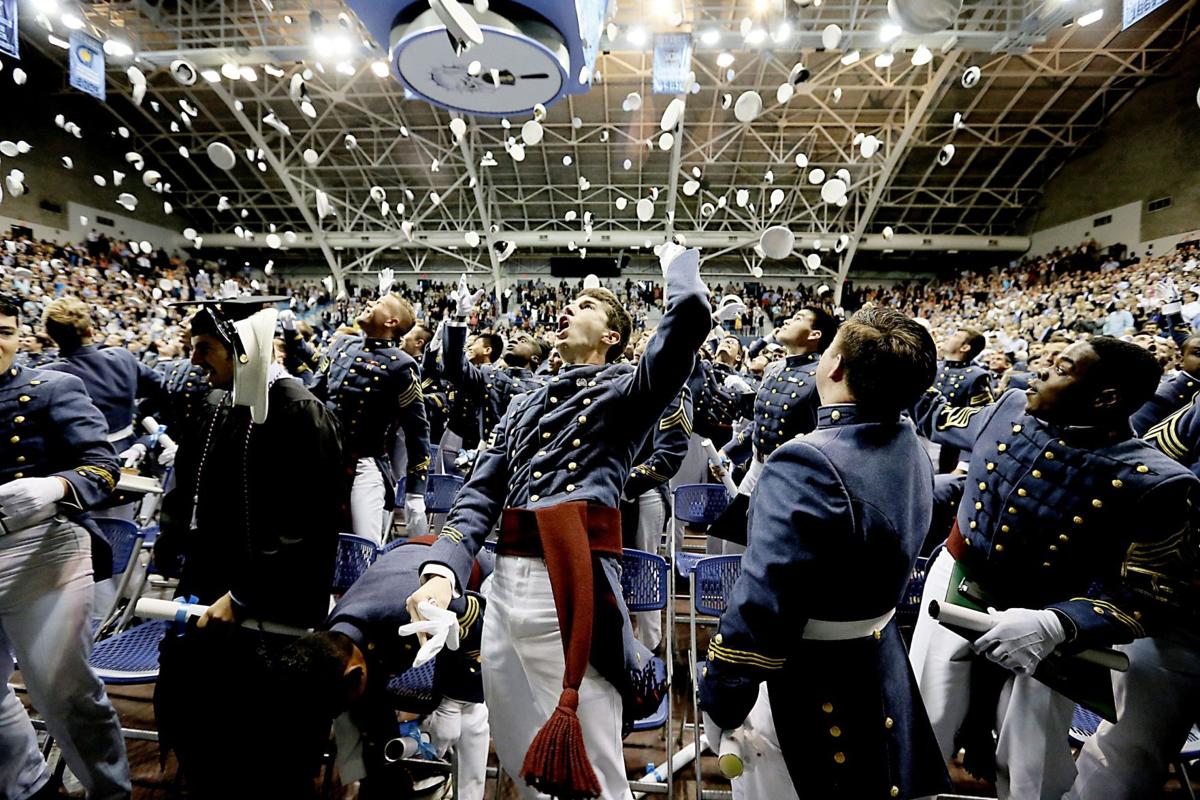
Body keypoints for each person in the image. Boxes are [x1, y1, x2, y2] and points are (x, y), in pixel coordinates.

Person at [407, 245, 711, 799]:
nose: (569, 308)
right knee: (525, 763)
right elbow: (478, 497)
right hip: (503, 591)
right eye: (569, 302)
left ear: (612, 336)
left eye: (588, 304)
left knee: (594, 775)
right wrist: (443, 572)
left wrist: (678, 265)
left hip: (572, 590)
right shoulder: (523, 403)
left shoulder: (627, 391)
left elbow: (688, 320)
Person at [906, 336, 1199, 800]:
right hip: (960, 579)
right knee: (925, 713)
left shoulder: (1155, 482)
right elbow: (942, 419)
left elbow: (1153, 594)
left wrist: (1060, 623)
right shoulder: (1008, 407)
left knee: (1032, 756)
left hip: (1048, 614)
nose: (1039, 370)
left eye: (1061, 367)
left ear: (1106, 398)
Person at [700, 307, 949, 800]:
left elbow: (764, 602)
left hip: (808, 675)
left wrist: (724, 695)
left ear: (833, 366)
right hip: (875, 656)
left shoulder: (808, 459)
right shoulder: (909, 442)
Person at [153, 295, 344, 798]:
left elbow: (305, 527)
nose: (194, 361)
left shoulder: (300, 411)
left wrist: (242, 597)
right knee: (203, 729)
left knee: (264, 747)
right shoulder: (218, 403)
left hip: (270, 607)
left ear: (243, 350)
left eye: (206, 349)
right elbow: (187, 487)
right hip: (211, 593)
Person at [0, 292, 131, 800]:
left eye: (6, 332)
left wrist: (54, 487)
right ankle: (28, 785)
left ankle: (110, 791)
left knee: (64, 693)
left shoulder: (51, 388)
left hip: (41, 548)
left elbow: (103, 465)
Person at [280, 538, 489, 799]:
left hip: (466, 566)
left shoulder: (414, 611)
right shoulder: (335, 640)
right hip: (399, 563)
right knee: (372, 731)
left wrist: (454, 699)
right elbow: (369, 706)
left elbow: (482, 626)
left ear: (354, 674)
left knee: (469, 723)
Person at [282, 293, 431, 544]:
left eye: (378, 303)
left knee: (363, 544)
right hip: (323, 461)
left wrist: (416, 491)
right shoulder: (343, 345)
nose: (369, 303)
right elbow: (315, 396)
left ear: (391, 322)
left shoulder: (402, 366)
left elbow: (417, 430)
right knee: (308, 538)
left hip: (364, 466)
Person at [712, 306, 839, 549]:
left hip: (789, 477)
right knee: (733, 545)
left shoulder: (822, 375)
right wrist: (727, 451)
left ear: (815, 335)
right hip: (756, 467)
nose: (789, 320)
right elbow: (762, 421)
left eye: (799, 318)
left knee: (767, 549)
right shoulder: (775, 368)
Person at [40, 296, 164, 451]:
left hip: (75, 461)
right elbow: (161, 389)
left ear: (52, 338)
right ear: (90, 331)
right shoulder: (122, 357)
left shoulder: (45, 375)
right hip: (130, 450)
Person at [931, 326, 992, 472]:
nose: (948, 337)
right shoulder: (935, 368)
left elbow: (979, 423)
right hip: (920, 435)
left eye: (955, 335)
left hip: (950, 446)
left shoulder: (976, 376)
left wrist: (964, 464)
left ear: (965, 347)